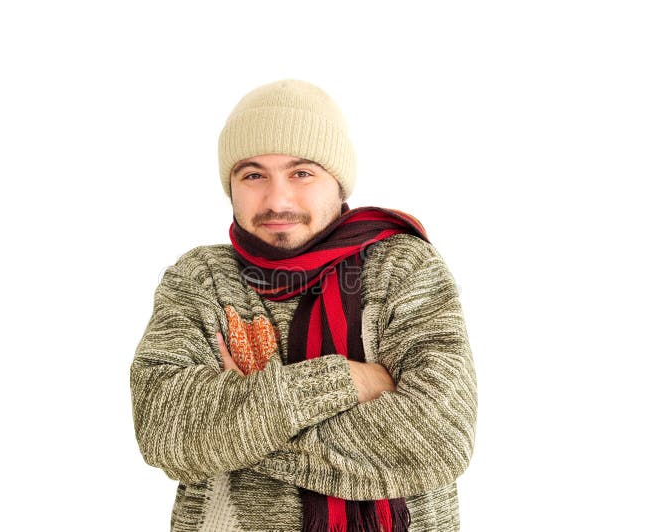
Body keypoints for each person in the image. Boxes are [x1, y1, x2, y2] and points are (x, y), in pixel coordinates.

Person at [130, 79, 478, 532]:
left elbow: (439, 438)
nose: (277, 199)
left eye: (301, 172)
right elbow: (165, 429)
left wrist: (241, 428)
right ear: (230, 187)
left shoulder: (403, 267)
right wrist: (347, 379)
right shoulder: (202, 279)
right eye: (253, 175)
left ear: (338, 182)